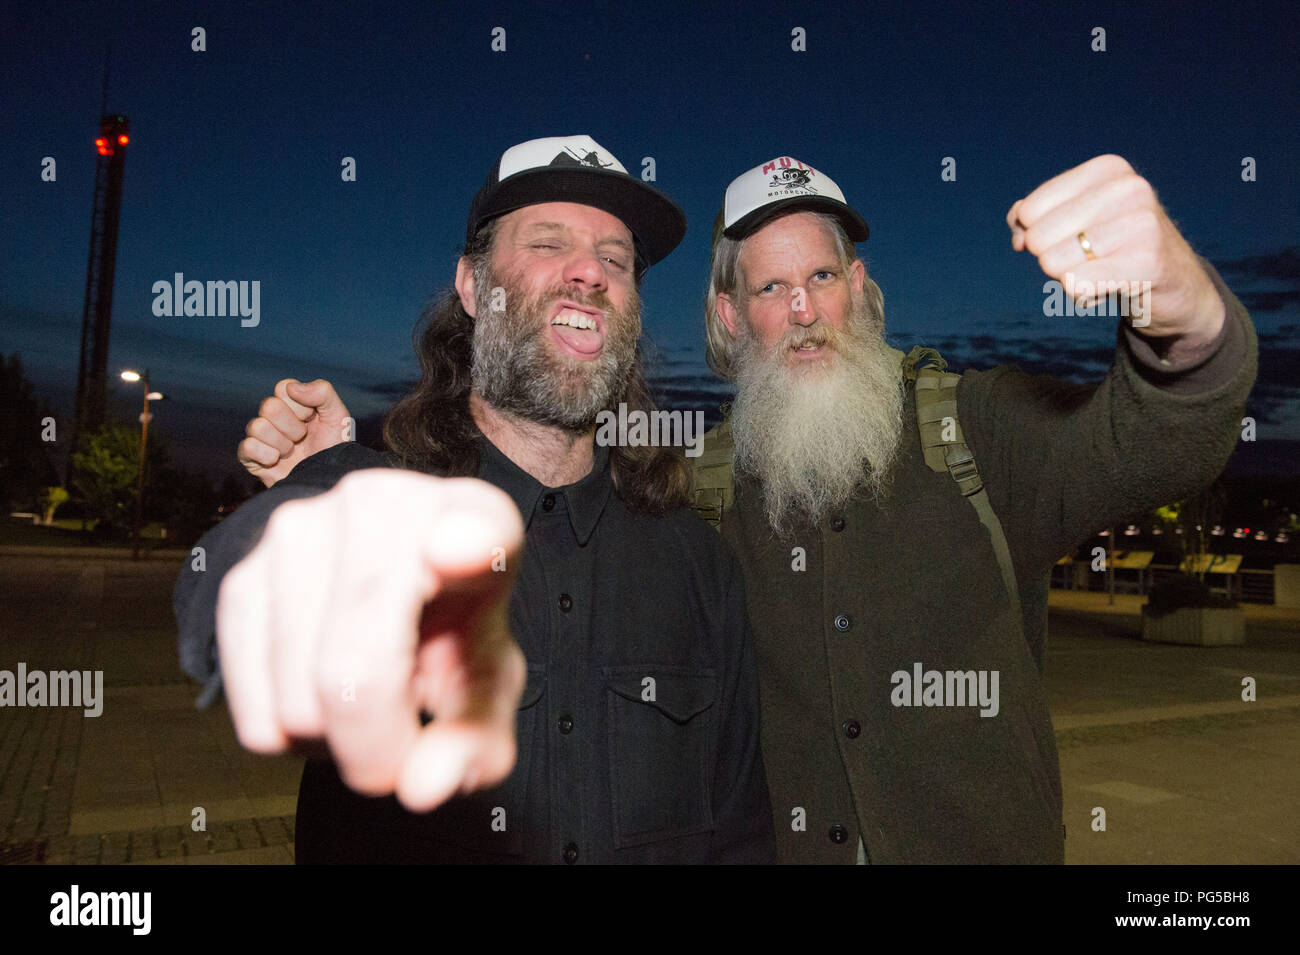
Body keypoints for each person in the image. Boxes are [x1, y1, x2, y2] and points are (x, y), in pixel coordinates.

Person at [239, 152, 1258, 864]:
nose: (803, 309)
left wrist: (1185, 313)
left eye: (821, 276)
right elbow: (530, 475)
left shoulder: (976, 431)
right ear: (729, 316)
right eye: (770, 289)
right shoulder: (702, 491)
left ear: (860, 288)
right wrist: (349, 470)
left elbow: (1151, 442)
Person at [175, 134, 775, 864]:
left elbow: (742, 835)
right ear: (470, 285)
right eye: (547, 243)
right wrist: (328, 481)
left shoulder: (700, 567)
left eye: (616, 260)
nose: (590, 271)